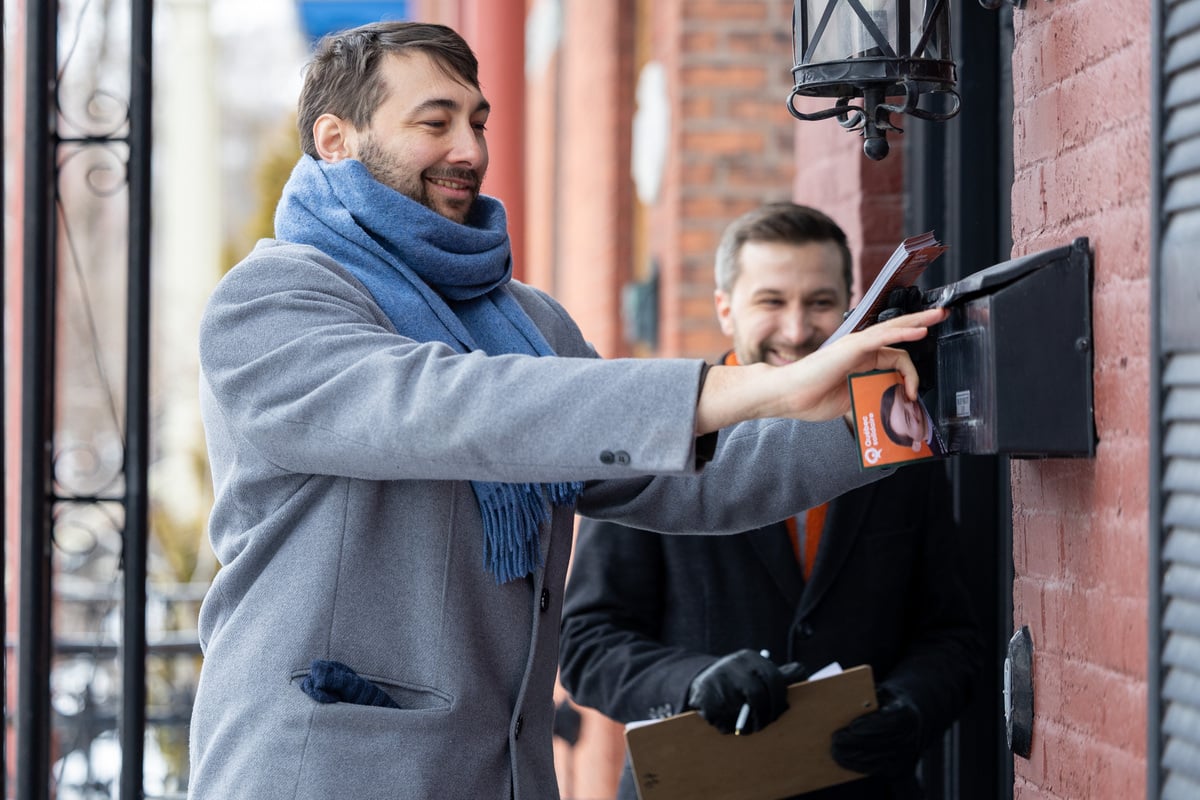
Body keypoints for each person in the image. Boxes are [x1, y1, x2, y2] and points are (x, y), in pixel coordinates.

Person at [187, 23, 946, 800]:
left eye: (478, 121)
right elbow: (456, 409)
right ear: (336, 138)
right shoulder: (271, 302)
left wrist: (904, 409)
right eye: (435, 120)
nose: (471, 150)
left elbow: (693, 478)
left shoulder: (526, 320)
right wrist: (758, 386)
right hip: (320, 773)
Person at [558, 203, 982, 800]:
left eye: (819, 302)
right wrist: (693, 681)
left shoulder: (895, 433)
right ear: (725, 308)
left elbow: (952, 633)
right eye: (771, 302)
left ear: (851, 304)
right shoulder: (662, 437)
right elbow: (585, 645)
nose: (795, 329)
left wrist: (912, 708)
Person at [879, 381, 943, 455]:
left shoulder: (932, 388)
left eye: (905, 396)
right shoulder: (940, 450)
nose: (910, 405)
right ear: (915, 445)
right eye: (908, 418)